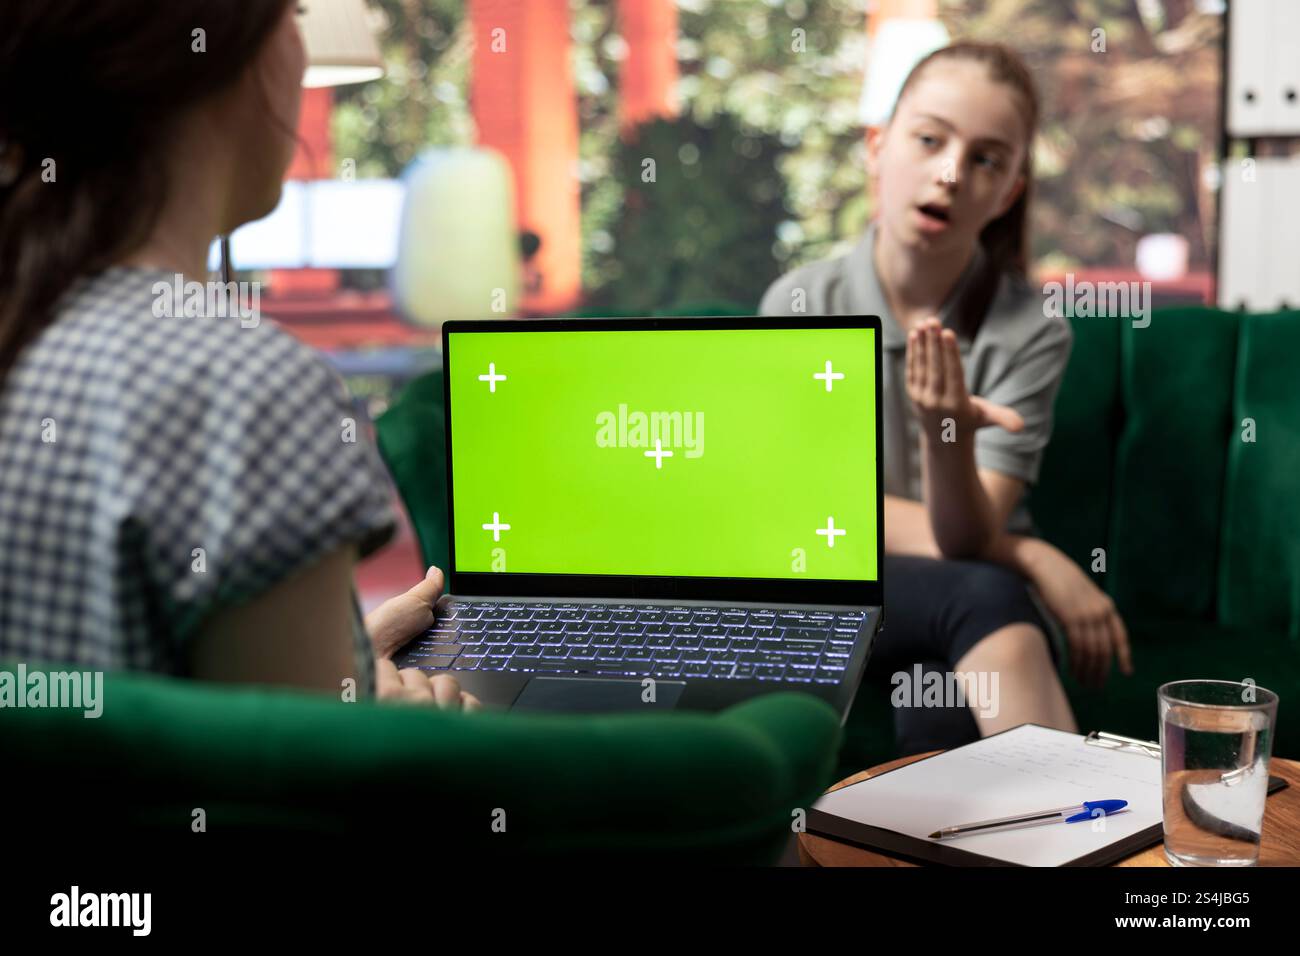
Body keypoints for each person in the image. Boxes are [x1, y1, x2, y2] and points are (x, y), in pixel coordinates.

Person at [0, 1, 477, 710]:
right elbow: (301, 804)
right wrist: (407, 738)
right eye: (296, 11)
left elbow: (138, 711)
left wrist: (344, 667)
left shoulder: (31, 330)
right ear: (224, 59)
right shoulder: (249, 390)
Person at [760, 41, 1133, 753]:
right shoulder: (800, 301)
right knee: (981, 587)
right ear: (878, 146)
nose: (951, 173)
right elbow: (804, 521)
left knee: (946, 686)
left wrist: (946, 434)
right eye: (929, 139)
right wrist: (1028, 554)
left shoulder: (1033, 330)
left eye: (987, 159)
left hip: (963, 597)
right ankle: (1087, 825)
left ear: (1010, 190)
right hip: (854, 591)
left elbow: (962, 538)